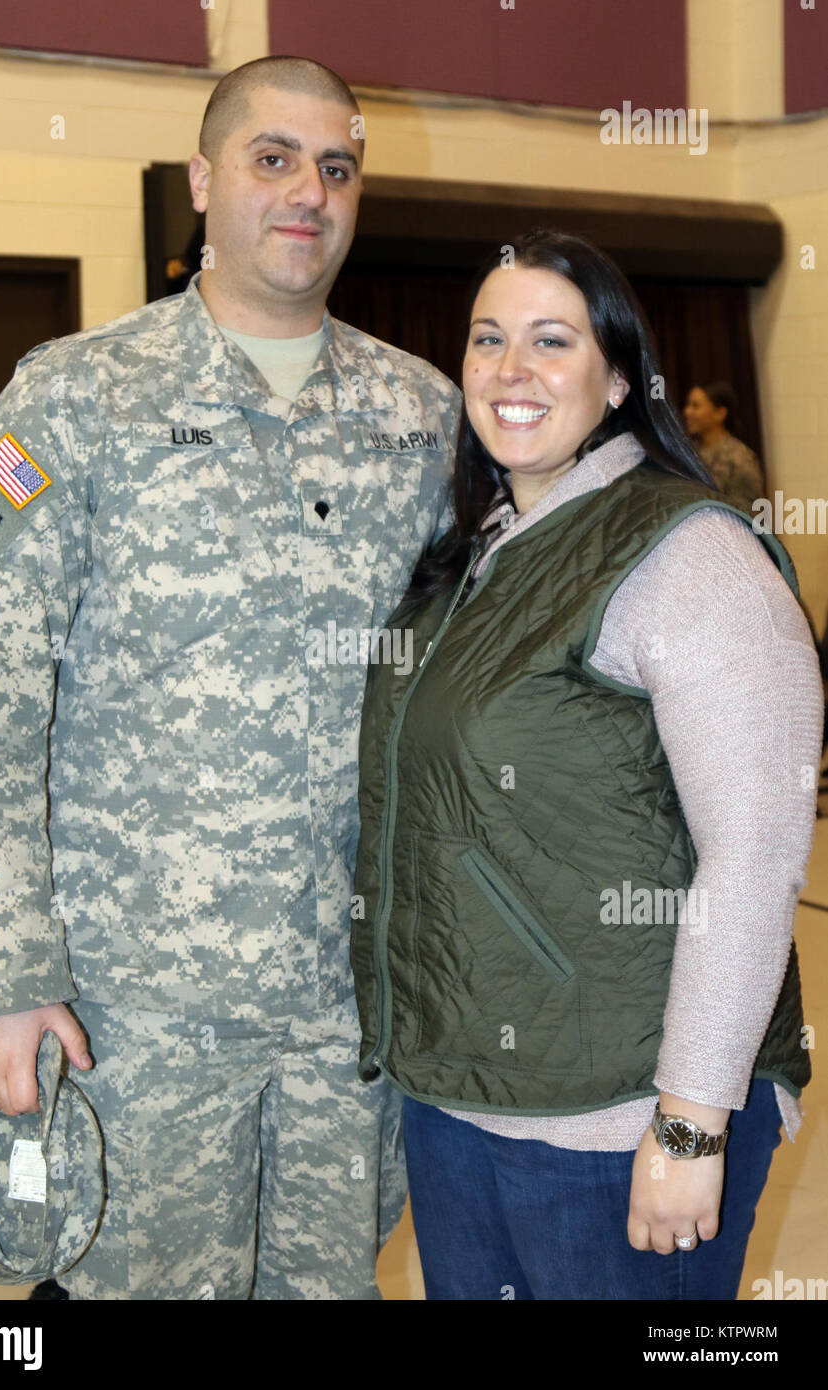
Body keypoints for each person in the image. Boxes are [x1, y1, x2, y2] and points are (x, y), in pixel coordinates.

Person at [0, 56, 461, 1300]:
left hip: (345, 1014)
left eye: (336, 166)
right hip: (134, 1014)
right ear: (205, 180)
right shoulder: (73, 398)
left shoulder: (422, 419)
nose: (308, 192)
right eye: (273, 158)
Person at [351, 230, 821, 1300]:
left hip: (619, 1116)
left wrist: (693, 1123)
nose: (509, 370)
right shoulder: (469, 557)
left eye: (550, 341)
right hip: (462, 1101)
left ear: (617, 378)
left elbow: (750, 857)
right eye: (487, 339)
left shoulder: (687, 552)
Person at [683, 380, 765, 514]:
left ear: (719, 413)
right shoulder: (689, 452)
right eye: (687, 405)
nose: (687, 412)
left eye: (696, 406)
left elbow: (750, 512)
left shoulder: (739, 458)